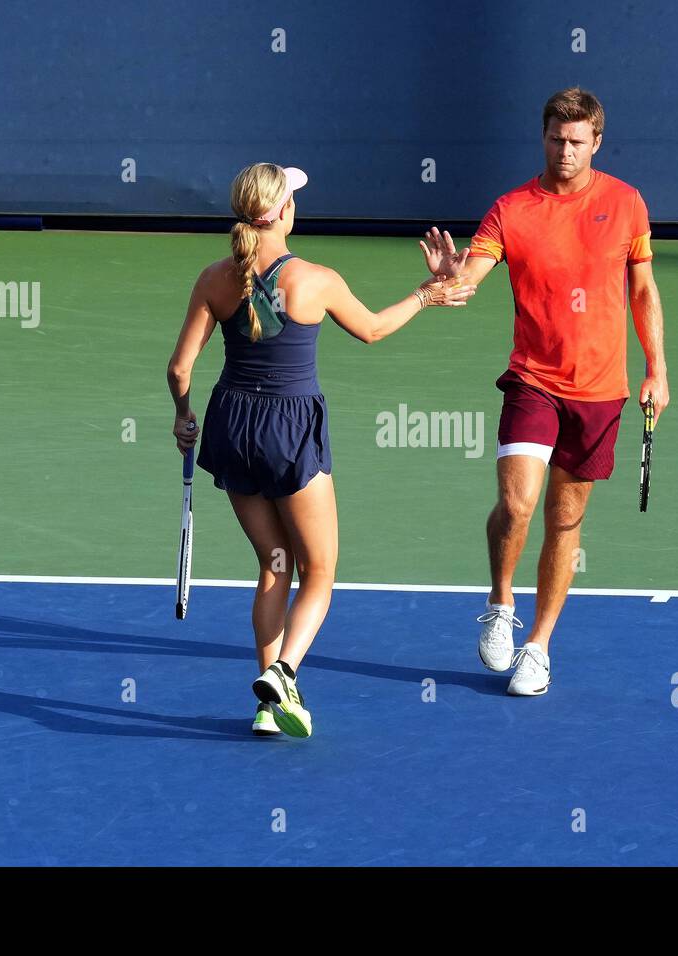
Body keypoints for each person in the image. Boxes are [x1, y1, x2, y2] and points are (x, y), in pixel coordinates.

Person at [167, 163, 475, 737]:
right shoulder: (315, 280)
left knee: (273, 564)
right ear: (283, 212)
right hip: (289, 433)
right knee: (320, 571)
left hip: (231, 427)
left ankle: (267, 705)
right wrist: (428, 293)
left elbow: (180, 368)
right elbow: (375, 330)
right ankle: (283, 673)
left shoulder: (214, 277)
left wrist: (184, 419)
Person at [420, 87, 670, 696]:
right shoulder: (512, 209)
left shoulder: (627, 204)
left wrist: (656, 369)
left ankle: (539, 645)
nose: (566, 151)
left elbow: (642, 292)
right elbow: (471, 278)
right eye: (557, 139)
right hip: (533, 379)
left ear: (597, 143)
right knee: (518, 505)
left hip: (601, 390)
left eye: (577, 141)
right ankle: (501, 601)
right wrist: (451, 281)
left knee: (565, 517)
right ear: (543, 137)